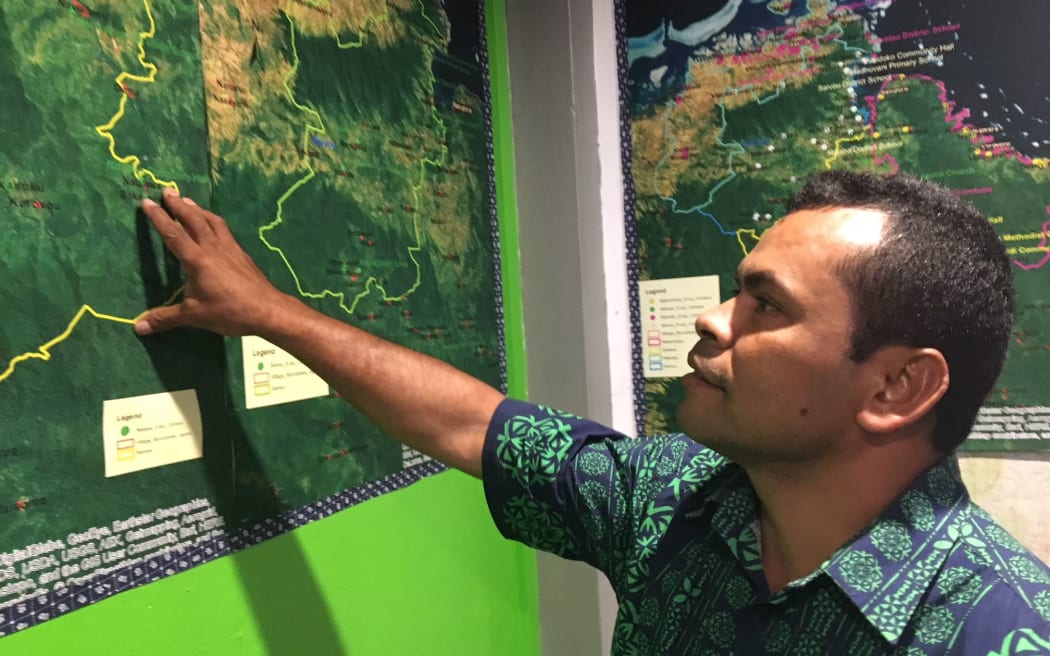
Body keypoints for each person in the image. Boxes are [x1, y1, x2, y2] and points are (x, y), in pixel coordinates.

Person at [137, 170, 1050, 655]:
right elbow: (470, 423)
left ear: (896, 389)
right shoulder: (678, 499)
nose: (711, 317)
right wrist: (265, 313)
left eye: (765, 306)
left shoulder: (995, 628)